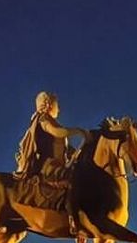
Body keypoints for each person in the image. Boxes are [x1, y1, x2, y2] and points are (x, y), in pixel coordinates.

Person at [14, 92, 89, 234]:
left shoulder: (53, 122)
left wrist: (76, 153)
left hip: (59, 164)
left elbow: (64, 148)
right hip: (49, 166)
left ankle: (82, 236)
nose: (58, 109)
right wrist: (78, 131)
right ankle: (73, 219)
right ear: (48, 104)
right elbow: (57, 132)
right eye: (57, 105)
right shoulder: (43, 119)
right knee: (73, 181)